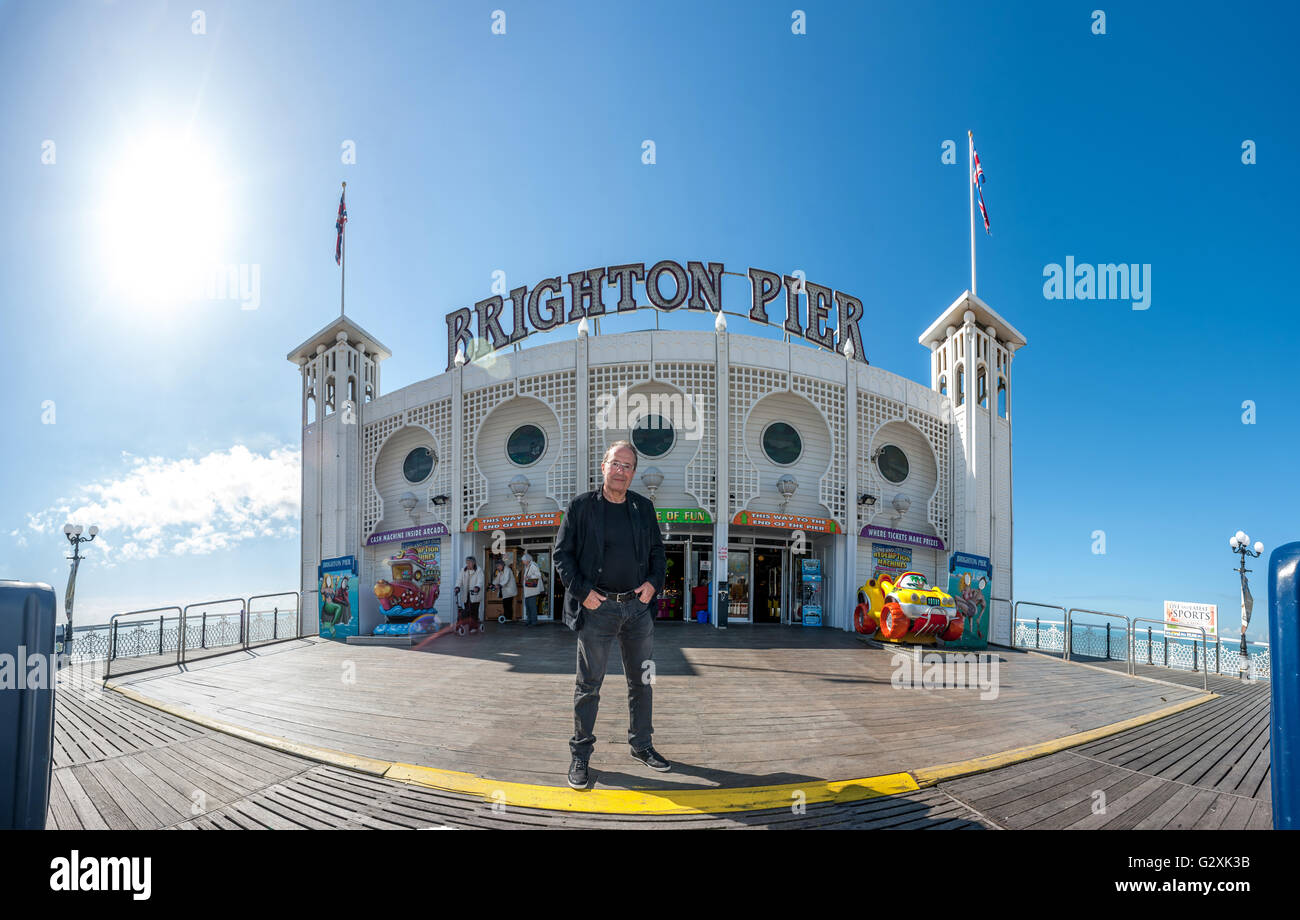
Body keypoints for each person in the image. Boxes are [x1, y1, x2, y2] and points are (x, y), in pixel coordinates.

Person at [553, 440, 668, 790]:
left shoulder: (643, 507)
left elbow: (658, 555)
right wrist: (582, 592)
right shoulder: (581, 507)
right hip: (597, 609)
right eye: (615, 464)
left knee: (642, 682)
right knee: (588, 686)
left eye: (628, 466)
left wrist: (652, 584)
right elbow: (562, 556)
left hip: (637, 609)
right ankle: (581, 755)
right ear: (603, 466)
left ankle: (641, 744)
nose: (621, 471)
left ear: (633, 473)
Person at [454, 555, 485, 633]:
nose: (468, 564)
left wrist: (477, 587)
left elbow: (480, 580)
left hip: (475, 594)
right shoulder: (463, 570)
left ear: (473, 563)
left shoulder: (478, 570)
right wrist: (457, 586)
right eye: (467, 562)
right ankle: (469, 624)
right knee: (467, 610)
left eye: (469, 563)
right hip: (466, 594)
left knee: (474, 610)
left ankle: (473, 627)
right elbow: (459, 579)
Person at [520, 553, 544, 626]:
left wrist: (529, 576)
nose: (523, 562)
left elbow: (538, 575)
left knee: (532, 607)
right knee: (528, 607)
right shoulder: (528, 566)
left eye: (523, 560)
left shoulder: (533, 565)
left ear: (527, 560)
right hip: (529, 591)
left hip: (532, 591)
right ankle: (529, 621)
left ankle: (533, 622)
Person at [492, 557, 517, 622]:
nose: (497, 567)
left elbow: (506, 579)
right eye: (497, 566)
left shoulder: (507, 570)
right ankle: (507, 617)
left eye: (498, 566)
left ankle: (509, 618)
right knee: (505, 604)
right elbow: (497, 579)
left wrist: (499, 585)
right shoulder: (500, 571)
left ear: (502, 565)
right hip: (505, 591)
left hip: (509, 590)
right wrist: (493, 584)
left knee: (508, 604)